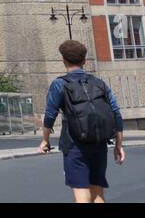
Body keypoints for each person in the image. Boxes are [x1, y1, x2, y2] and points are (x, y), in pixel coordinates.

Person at [38, 39, 125, 203]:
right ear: (84, 61)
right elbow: (116, 113)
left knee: (81, 192)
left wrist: (45, 141)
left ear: (63, 60)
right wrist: (119, 145)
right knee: (97, 191)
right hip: (99, 144)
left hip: (74, 145)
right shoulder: (99, 83)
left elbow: (50, 115)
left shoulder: (59, 84)